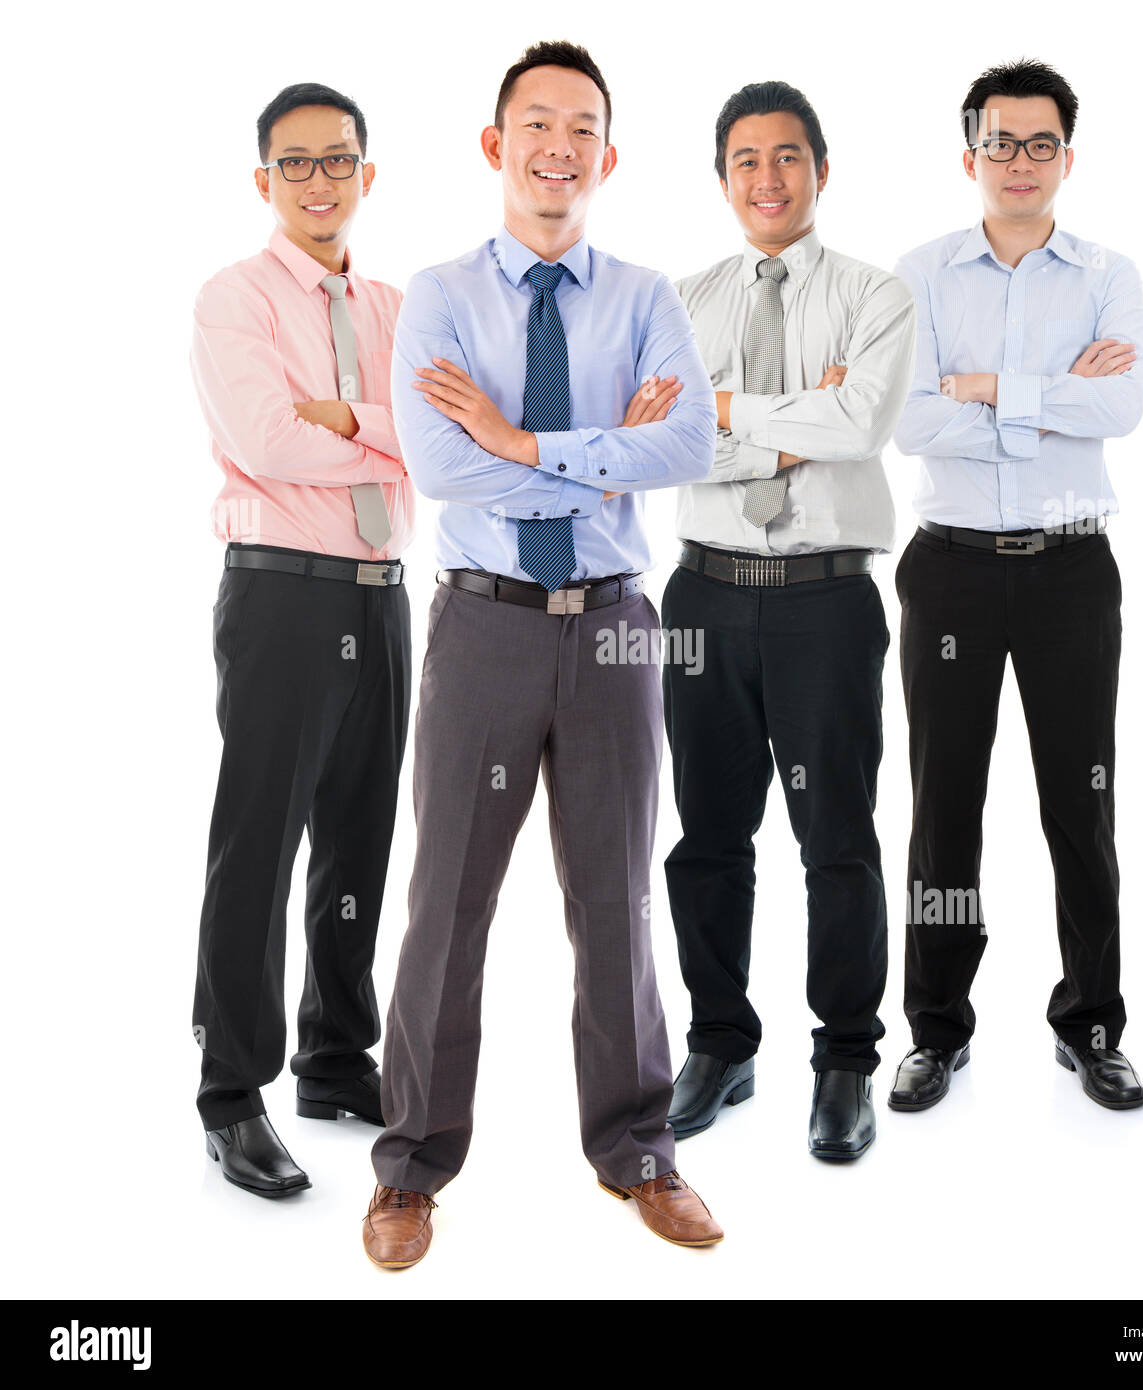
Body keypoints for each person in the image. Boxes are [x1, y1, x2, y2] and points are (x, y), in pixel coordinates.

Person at [362, 40, 723, 1271]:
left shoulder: (647, 294)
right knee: (446, 901)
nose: (558, 147)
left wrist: (519, 431)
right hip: (483, 623)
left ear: (607, 156)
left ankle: (639, 1149)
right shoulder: (440, 293)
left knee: (617, 896)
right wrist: (585, 445)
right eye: (537, 124)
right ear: (495, 144)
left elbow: (684, 448)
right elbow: (442, 466)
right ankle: (411, 1165)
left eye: (582, 128)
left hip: (619, 623)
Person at [889, 58, 1143, 1114]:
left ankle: (1091, 1022)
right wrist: (1049, 398)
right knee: (943, 810)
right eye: (1000, 142)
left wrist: (986, 387)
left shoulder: (1105, 274)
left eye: (1040, 143)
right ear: (969, 154)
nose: (1019, 161)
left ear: (1066, 158)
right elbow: (906, 419)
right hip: (948, 570)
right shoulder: (917, 272)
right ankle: (934, 1029)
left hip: (1070, 571)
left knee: (1078, 807)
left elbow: (1122, 406)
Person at [662, 81, 915, 1161]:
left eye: (787, 158)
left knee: (838, 843)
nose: (767, 179)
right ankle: (720, 1041)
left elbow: (862, 423)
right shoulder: (679, 302)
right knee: (708, 837)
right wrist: (784, 420)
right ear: (722, 178)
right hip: (702, 595)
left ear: (820, 169)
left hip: (825, 600)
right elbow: (664, 443)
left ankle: (845, 1059)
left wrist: (724, 411)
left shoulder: (876, 295)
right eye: (745, 161)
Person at [190, 83, 414, 1197]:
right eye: (296, 163)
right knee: (261, 837)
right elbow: (268, 441)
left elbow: (441, 434)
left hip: (382, 592)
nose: (319, 181)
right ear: (264, 180)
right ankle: (232, 1090)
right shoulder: (233, 299)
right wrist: (382, 435)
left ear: (367, 175)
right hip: (282, 595)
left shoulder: (397, 305)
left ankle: (335, 1055)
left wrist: (359, 423)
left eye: (339, 161)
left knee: (360, 832)